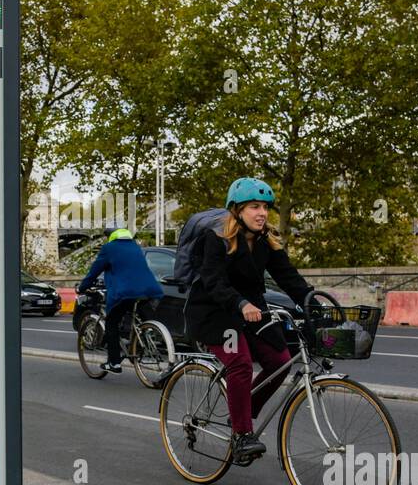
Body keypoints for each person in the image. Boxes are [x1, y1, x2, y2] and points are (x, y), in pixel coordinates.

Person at [183, 178, 313, 460]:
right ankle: (242, 435)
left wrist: (312, 299)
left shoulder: (267, 240)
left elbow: (288, 277)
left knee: (280, 362)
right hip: (214, 312)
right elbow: (213, 280)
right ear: (237, 211)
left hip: (252, 311)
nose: (262, 213)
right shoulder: (216, 238)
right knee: (240, 363)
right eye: (254, 206)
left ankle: (241, 412)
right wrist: (240, 302)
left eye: (265, 207)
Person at [76, 228, 163, 374]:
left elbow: (95, 270)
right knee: (138, 316)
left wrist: (82, 287)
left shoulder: (109, 248)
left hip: (125, 292)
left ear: (112, 237)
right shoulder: (135, 247)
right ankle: (141, 342)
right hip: (150, 291)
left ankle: (114, 363)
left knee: (111, 323)